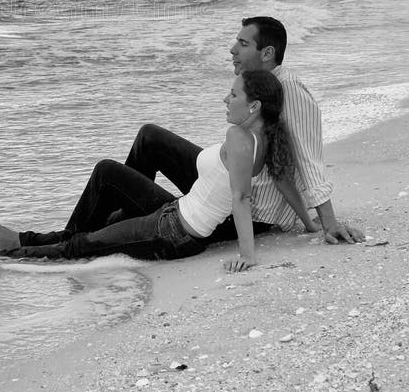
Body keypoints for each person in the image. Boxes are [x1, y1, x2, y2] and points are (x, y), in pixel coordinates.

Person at [0, 70, 318, 271]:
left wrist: (247, 255)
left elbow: (242, 198)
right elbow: (283, 180)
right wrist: (309, 223)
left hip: (172, 231)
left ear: (254, 105)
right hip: (175, 220)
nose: (225, 100)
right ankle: (22, 242)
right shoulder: (266, 137)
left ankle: (9, 257)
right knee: (100, 228)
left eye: (233, 94)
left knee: (85, 244)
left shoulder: (239, 137)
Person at [119, 16, 364, 245]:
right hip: (232, 184)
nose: (233, 50)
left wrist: (326, 224)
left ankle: (119, 225)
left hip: (247, 209)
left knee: (121, 174)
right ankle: (122, 219)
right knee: (150, 138)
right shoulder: (261, 85)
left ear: (267, 53)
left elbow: (307, 158)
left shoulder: (290, 91)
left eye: (243, 43)